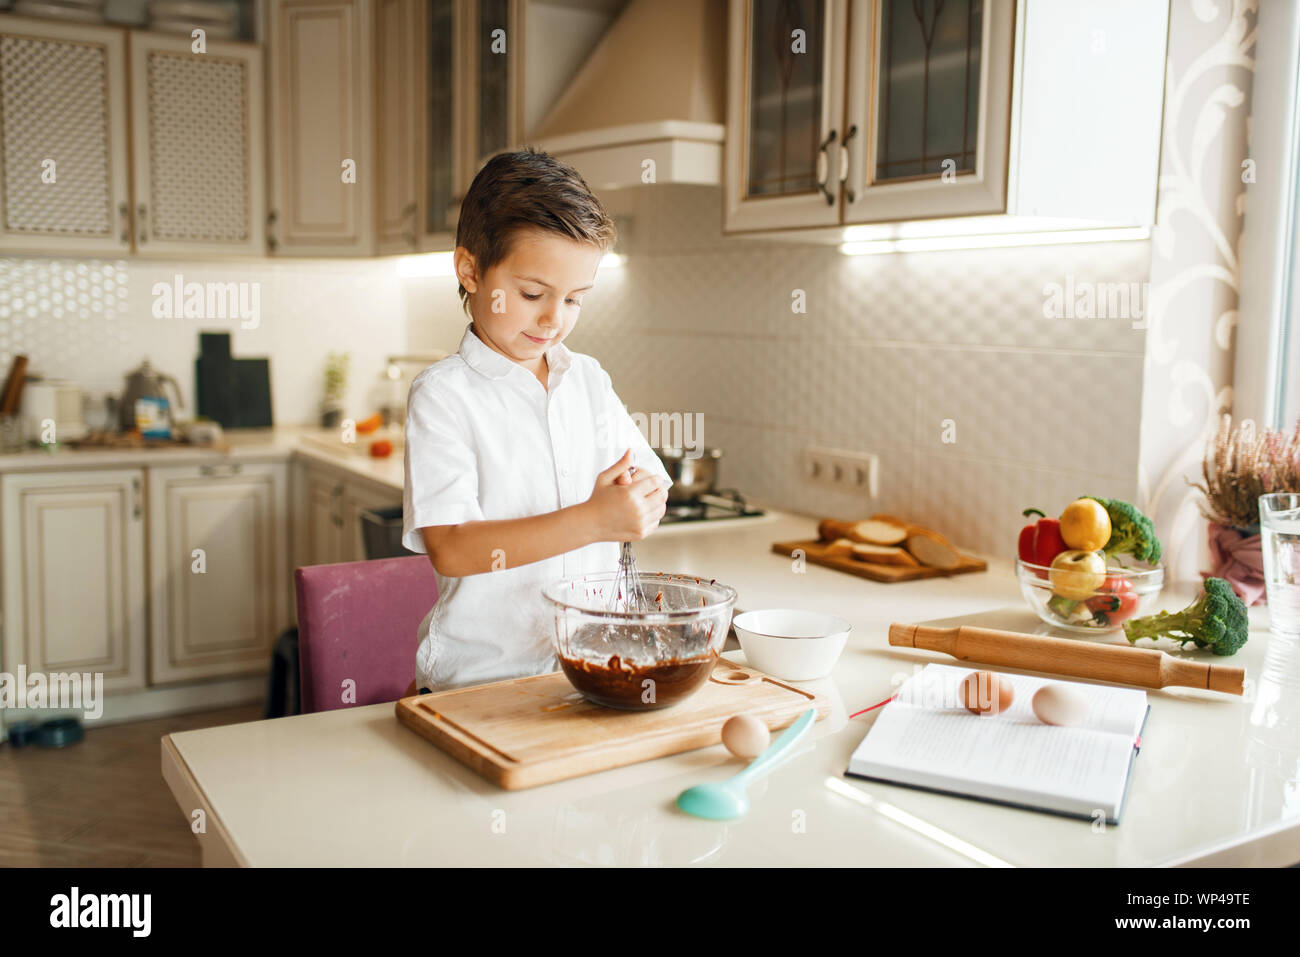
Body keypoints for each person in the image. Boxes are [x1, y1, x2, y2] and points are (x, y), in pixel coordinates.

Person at [402, 147, 672, 693]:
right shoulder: (443, 396)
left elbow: (650, 486)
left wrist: (635, 503)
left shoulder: (589, 379)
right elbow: (452, 548)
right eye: (532, 294)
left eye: (575, 299)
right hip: (480, 683)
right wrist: (595, 519)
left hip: (592, 669)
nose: (555, 319)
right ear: (470, 269)